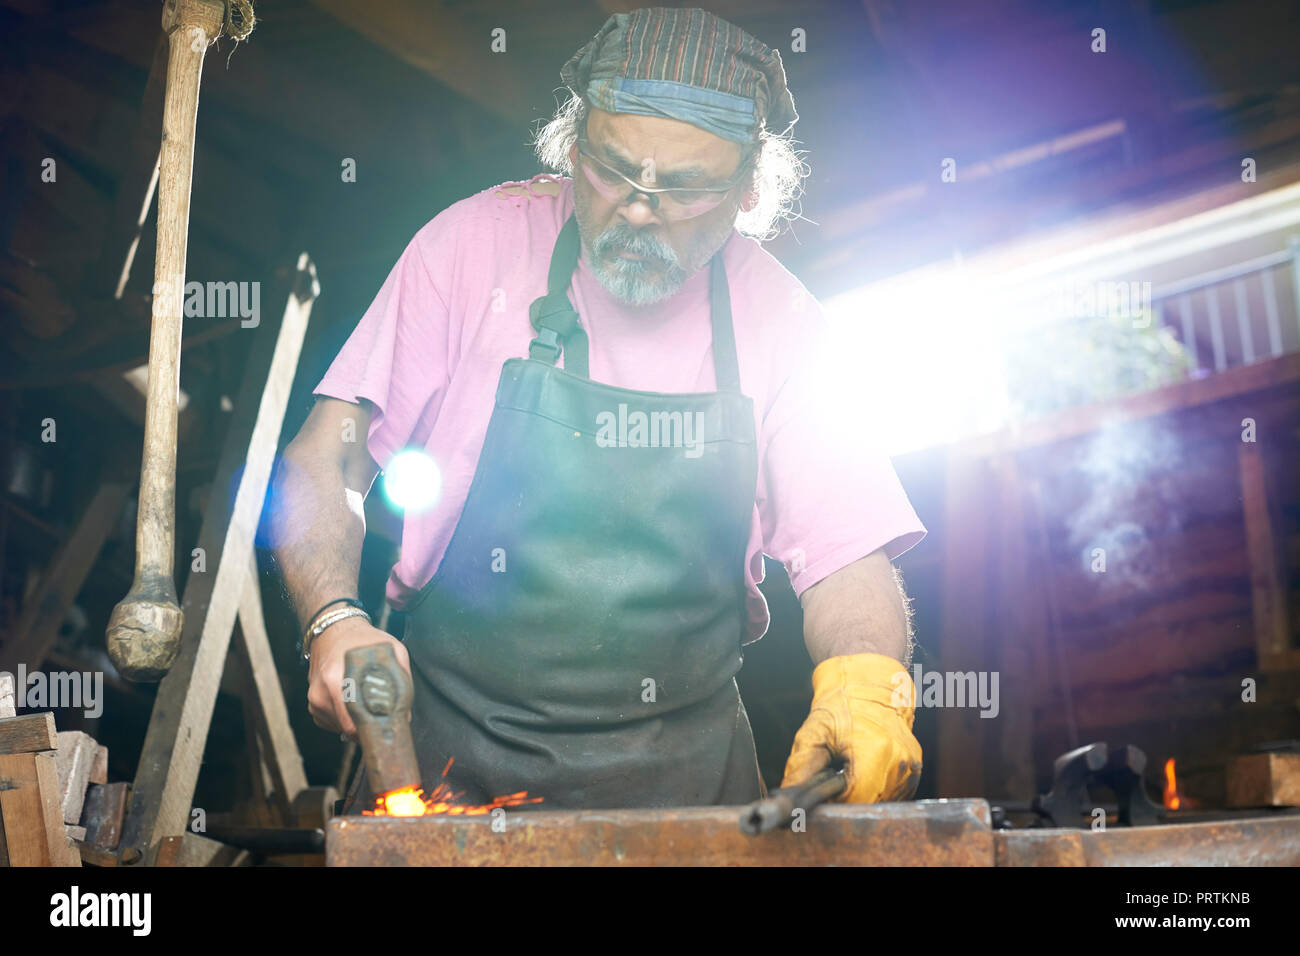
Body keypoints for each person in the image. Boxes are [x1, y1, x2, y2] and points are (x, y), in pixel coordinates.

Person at [272, 7, 927, 812]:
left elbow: (848, 556)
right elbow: (327, 456)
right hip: (454, 778)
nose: (639, 207)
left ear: (749, 189)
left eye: (683, 187)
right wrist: (334, 618)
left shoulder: (785, 325)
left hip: (694, 803)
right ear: (572, 144)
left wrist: (867, 685)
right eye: (612, 170)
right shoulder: (471, 249)